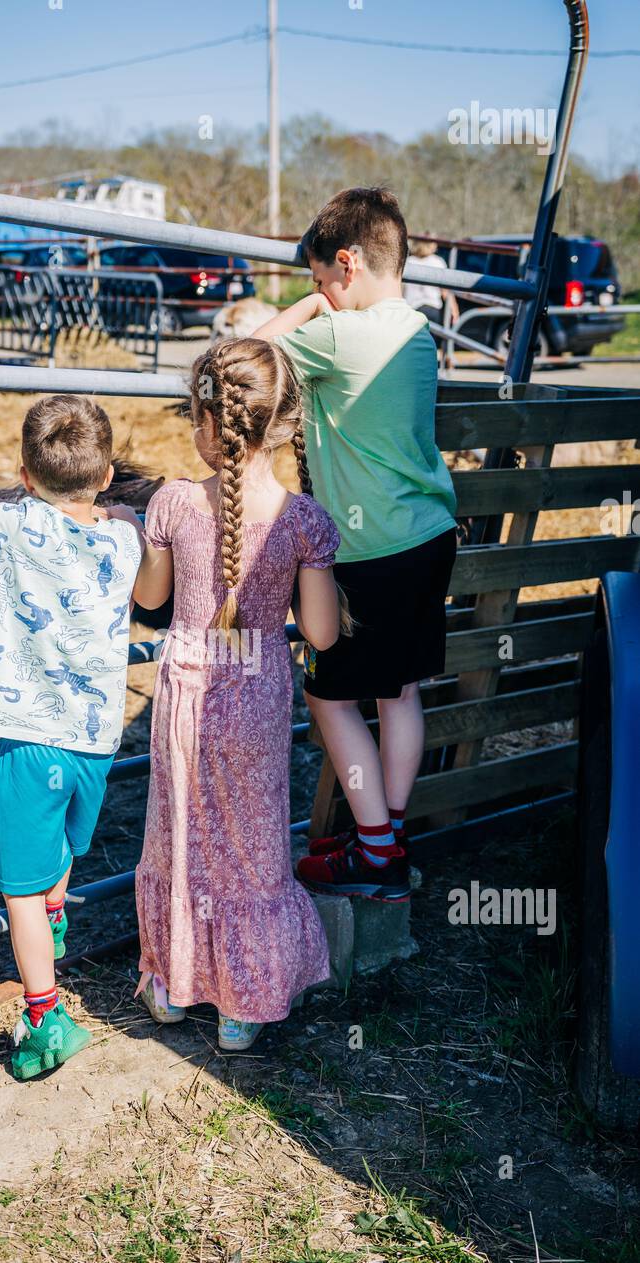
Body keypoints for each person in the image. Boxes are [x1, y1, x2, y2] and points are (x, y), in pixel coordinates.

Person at [0, 395, 143, 1079]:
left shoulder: (16, 523)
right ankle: (54, 917)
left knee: (16, 888)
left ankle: (44, 1020)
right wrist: (124, 513)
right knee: (59, 856)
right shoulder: (124, 535)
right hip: (99, 740)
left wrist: (11, 497)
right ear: (106, 476)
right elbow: (146, 572)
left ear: (23, 473)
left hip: (31, 737)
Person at [133, 338, 339, 1052]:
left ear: (210, 423)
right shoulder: (303, 520)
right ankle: (240, 1005)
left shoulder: (172, 503)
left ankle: (169, 983)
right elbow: (320, 632)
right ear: (283, 423)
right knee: (250, 845)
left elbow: (149, 599)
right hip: (254, 695)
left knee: (177, 831)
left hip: (185, 690)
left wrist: (147, 543)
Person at [253, 186, 458, 900]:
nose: (318, 296)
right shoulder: (418, 332)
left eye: (319, 280)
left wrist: (310, 306)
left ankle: (375, 853)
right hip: (430, 538)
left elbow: (243, 358)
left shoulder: (339, 332)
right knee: (399, 692)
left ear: (346, 265)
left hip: (371, 559)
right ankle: (389, 830)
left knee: (330, 697)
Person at [403, 234, 460, 331]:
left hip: (412, 309)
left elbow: (401, 290)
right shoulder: (438, 262)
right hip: (432, 308)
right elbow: (445, 291)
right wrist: (454, 311)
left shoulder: (408, 262)